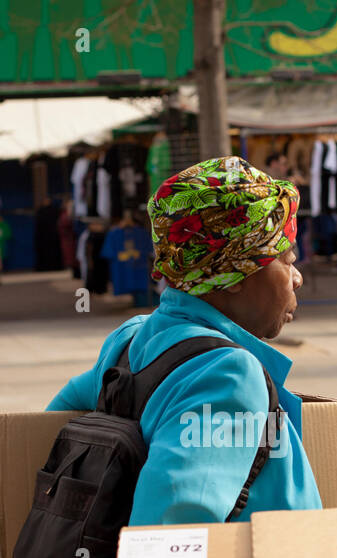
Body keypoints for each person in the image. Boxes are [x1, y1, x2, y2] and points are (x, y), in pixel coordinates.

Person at [47, 156, 321, 524]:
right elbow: (175, 524)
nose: (297, 277)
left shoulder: (132, 339)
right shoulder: (226, 374)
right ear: (235, 273)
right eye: (286, 260)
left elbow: (47, 423)